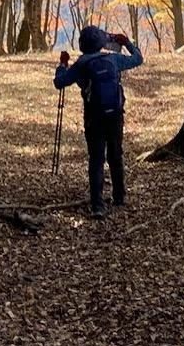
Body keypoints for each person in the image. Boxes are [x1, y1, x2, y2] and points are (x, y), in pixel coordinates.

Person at [55, 26, 142, 218]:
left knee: (96, 160)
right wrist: (126, 42)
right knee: (116, 155)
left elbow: (59, 82)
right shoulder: (113, 59)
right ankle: (119, 197)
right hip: (115, 115)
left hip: (94, 118)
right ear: (102, 43)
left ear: (82, 45)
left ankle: (98, 206)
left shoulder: (81, 65)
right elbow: (138, 59)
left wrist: (62, 64)